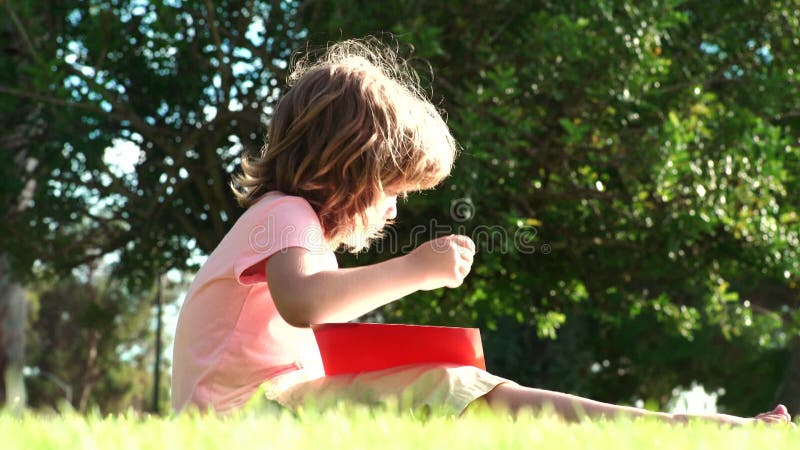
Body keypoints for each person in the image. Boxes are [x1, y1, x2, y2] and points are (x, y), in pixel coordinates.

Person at [170, 38, 792, 426]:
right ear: (351, 165)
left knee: (452, 399)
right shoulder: (286, 214)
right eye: (393, 189)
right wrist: (415, 271)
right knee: (456, 391)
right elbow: (304, 304)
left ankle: (697, 428)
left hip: (260, 415)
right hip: (237, 425)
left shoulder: (283, 222)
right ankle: (696, 431)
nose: (392, 212)